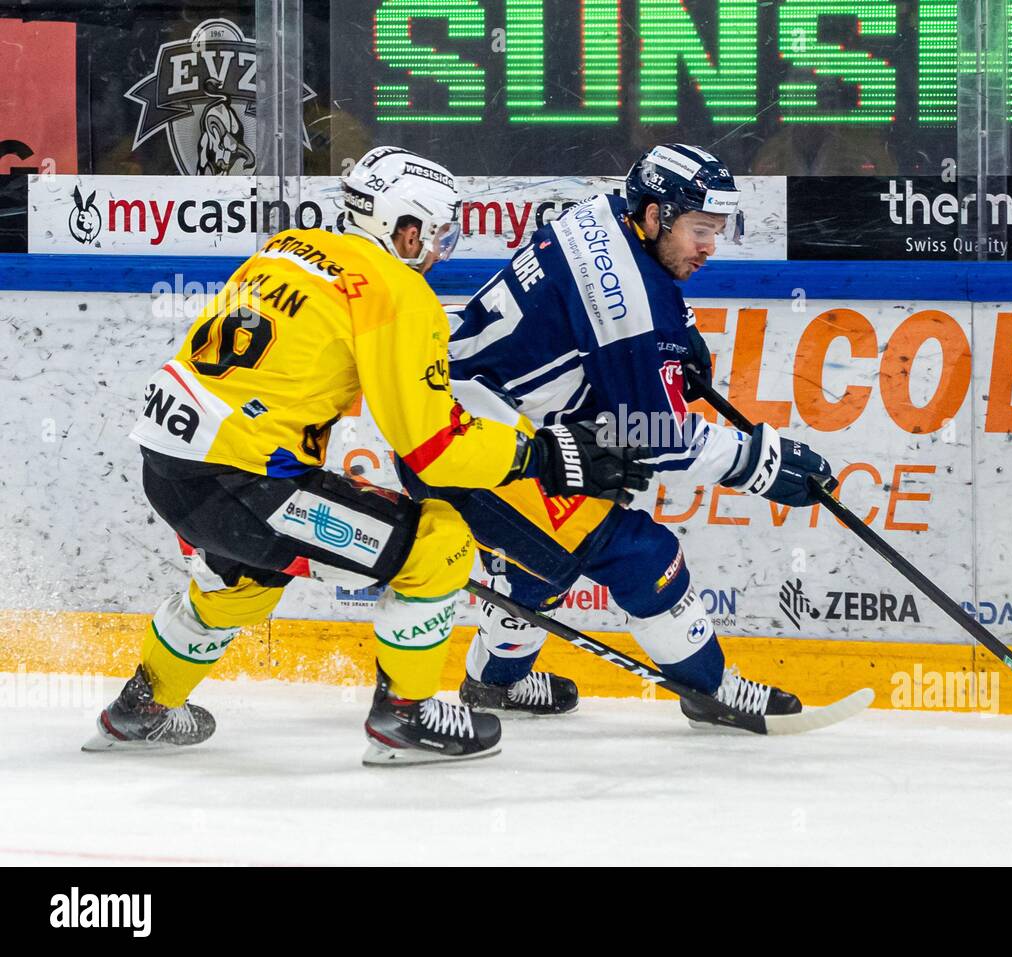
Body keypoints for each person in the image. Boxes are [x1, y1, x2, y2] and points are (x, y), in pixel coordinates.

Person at [83, 146, 649, 765]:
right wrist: (546, 454)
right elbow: (436, 448)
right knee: (440, 545)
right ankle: (404, 720)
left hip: (171, 467)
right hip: (244, 482)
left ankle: (141, 708)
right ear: (406, 230)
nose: (438, 252)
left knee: (241, 582)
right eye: (437, 236)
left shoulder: (288, 248)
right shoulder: (395, 291)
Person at [399, 144, 833, 727]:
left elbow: (610, 321)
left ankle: (495, 682)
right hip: (469, 445)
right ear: (654, 216)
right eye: (700, 230)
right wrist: (759, 462)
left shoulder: (601, 215)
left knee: (549, 551)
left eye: (717, 230)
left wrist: (676, 344)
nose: (710, 247)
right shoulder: (629, 300)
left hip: (460, 415)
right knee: (638, 553)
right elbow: (655, 435)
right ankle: (711, 691)